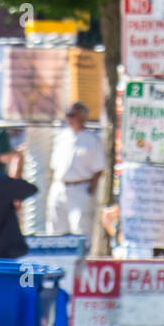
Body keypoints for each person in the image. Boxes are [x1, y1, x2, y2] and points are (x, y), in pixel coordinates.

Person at [47, 102, 105, 238]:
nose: (69, 118)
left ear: (83, 118)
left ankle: (80, 259)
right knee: (55, 228)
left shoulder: (92, 140)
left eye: (73, 115)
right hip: (60, 186)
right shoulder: (61, 137)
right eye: (67, 115)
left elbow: (99, 168)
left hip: (80, 187)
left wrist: (91, 189)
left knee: (79, 229)